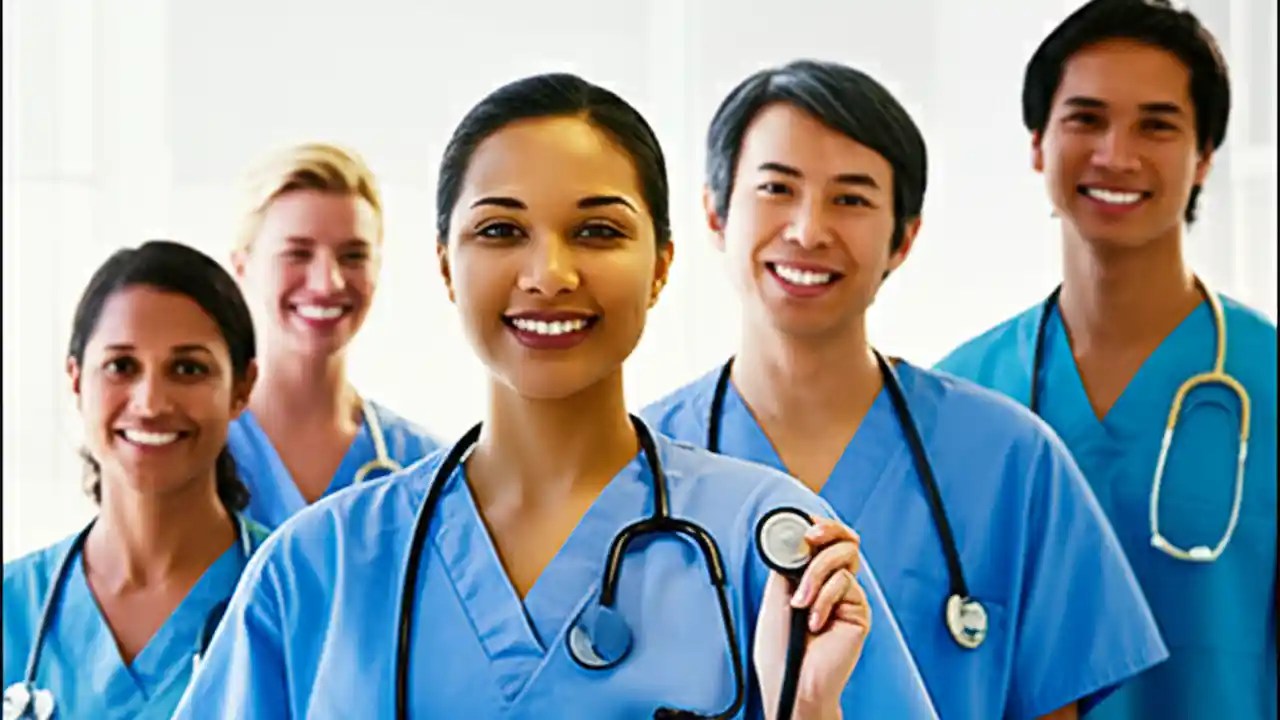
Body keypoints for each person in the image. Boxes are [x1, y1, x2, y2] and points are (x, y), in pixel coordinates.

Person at [172, 73, 938, 719]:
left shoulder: (770, 548)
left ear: (662, 264)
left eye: (599, 232)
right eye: (502, 232)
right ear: (445, 265)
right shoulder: (316, 569)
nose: (549, 275)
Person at [641, 59, 1168, 719]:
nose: (808, 230)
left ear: (904, 237)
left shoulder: (1012, 462)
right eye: (777, 188)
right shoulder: (640, 474)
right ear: (715, 214)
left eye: (852, 198)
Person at [936, 2, 1277, 718]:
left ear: (1204, 156)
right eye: (1085, 119)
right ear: (1037, 143)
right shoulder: (959, 396)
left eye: (1157, 125)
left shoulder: (1268, 379)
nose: (1116, 155)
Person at [2, 240, 271, 719]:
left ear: (242, 388)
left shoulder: (293, 595)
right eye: (121, 367)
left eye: (188, 369)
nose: (150, 403)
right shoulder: (12, 608)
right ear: (76, 380)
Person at [226, 142, 442, 530]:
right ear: (243, 267)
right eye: (298, 253)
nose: (327, 283)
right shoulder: (195, 452)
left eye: (353, 255)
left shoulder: (420, 469)